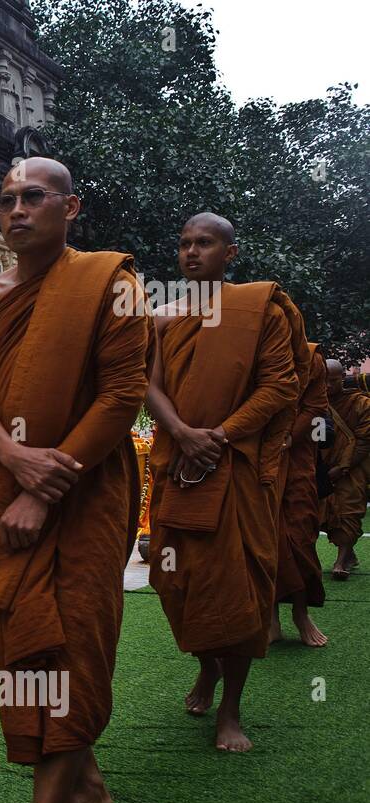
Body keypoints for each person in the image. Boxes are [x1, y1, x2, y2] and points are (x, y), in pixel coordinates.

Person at [0, 157, 151, 803]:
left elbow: (122, 396)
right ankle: (87, 781)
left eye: (32, 197)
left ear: (71, 207)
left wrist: (45, 488)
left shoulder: (115, 285)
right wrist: (18, 464)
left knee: (77, 640)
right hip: (9, 483)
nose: (16, 210)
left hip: (87, 487)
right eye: (5, 199)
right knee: (26, 638)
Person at [145, 213, 299, 753]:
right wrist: (184, 434)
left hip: (236, 472)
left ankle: (230, 708)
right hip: (179, 468)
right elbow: (150, 386)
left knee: (236, 591)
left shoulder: (259, 310)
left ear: (229, 253)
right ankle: (205, 666)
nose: (192, 252)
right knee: (174, 584)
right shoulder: (162, 318)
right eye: (184, 243)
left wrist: (222, 434)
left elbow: (280, 385)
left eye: (204, 243)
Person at [272, 341, 330, 646]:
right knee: (264, 539)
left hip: (297, 458)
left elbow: (315, 407)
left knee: (299, 535)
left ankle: (300, 613)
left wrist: (288, 436)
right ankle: (271, 619)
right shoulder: (251, 348)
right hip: (257, 455)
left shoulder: (311, 358)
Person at [320, 358, 370, 580]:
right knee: (324, 511)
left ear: (343, 378)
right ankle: (349, 553)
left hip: (353, 467)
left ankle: (341, 561)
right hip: (323, 466)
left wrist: (343, 466)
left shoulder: (361, 403)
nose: (328, 387)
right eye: (324, 382)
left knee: (349, 510)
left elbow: (363, 440)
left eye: (332, 381)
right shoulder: (314, 404)